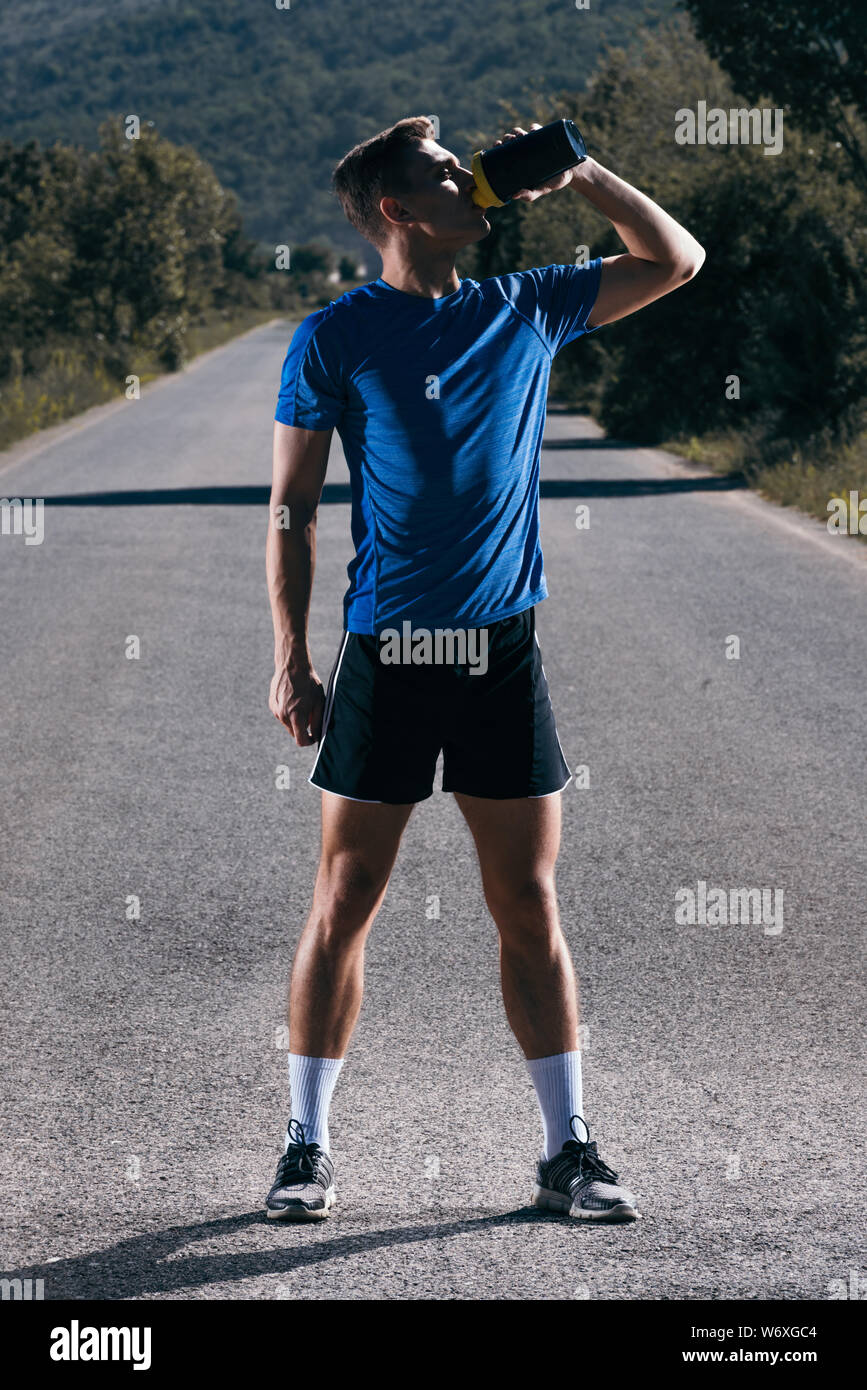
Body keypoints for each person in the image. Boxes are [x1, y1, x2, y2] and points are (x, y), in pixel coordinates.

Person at [264, 117, 704, 1222]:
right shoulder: (336, 336)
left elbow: (675, 260)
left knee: (526, 898)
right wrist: (293, 657)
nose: (469, 179)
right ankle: (305, 1146)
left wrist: (585, 170)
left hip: (501, 645)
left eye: (463, 165)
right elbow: (291, 512)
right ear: (398, 211)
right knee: (346, 898)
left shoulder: (527, 306)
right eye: (442, 173)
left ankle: (569, 1151)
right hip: (392, 647)